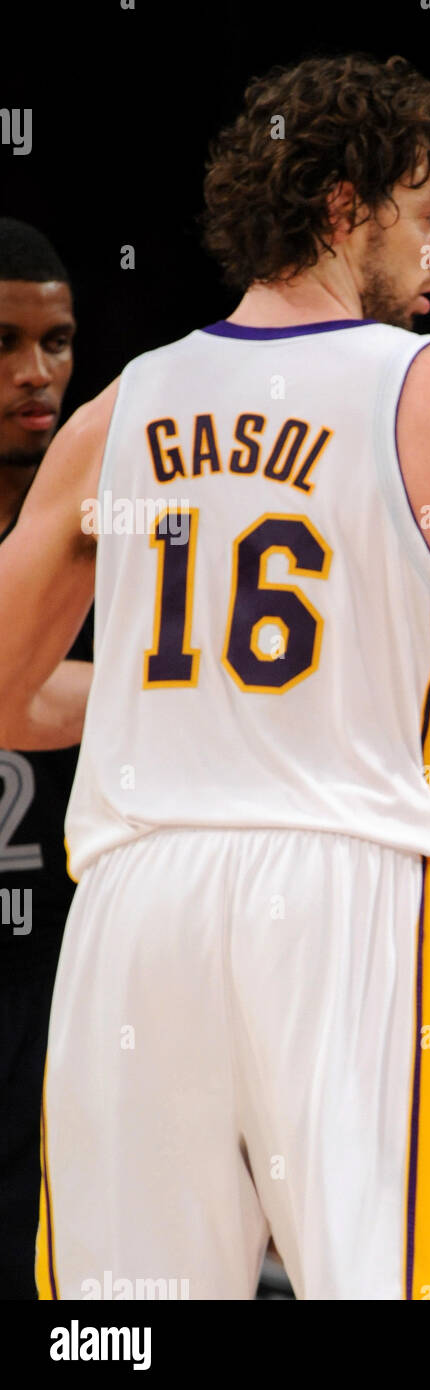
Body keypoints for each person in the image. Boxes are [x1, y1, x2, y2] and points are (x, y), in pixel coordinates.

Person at [0, 52, 430, 1300]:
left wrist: (171, 711)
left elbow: (2, 687)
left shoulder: (121, 407)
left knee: (116, 1326)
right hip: (344, 893)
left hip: (135, 902)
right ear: (346, 207)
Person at [0, 219, 91, 1299]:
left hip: (76, 975)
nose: (36, 374)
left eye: (60, 342)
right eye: (6, 342)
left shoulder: (123, 528)